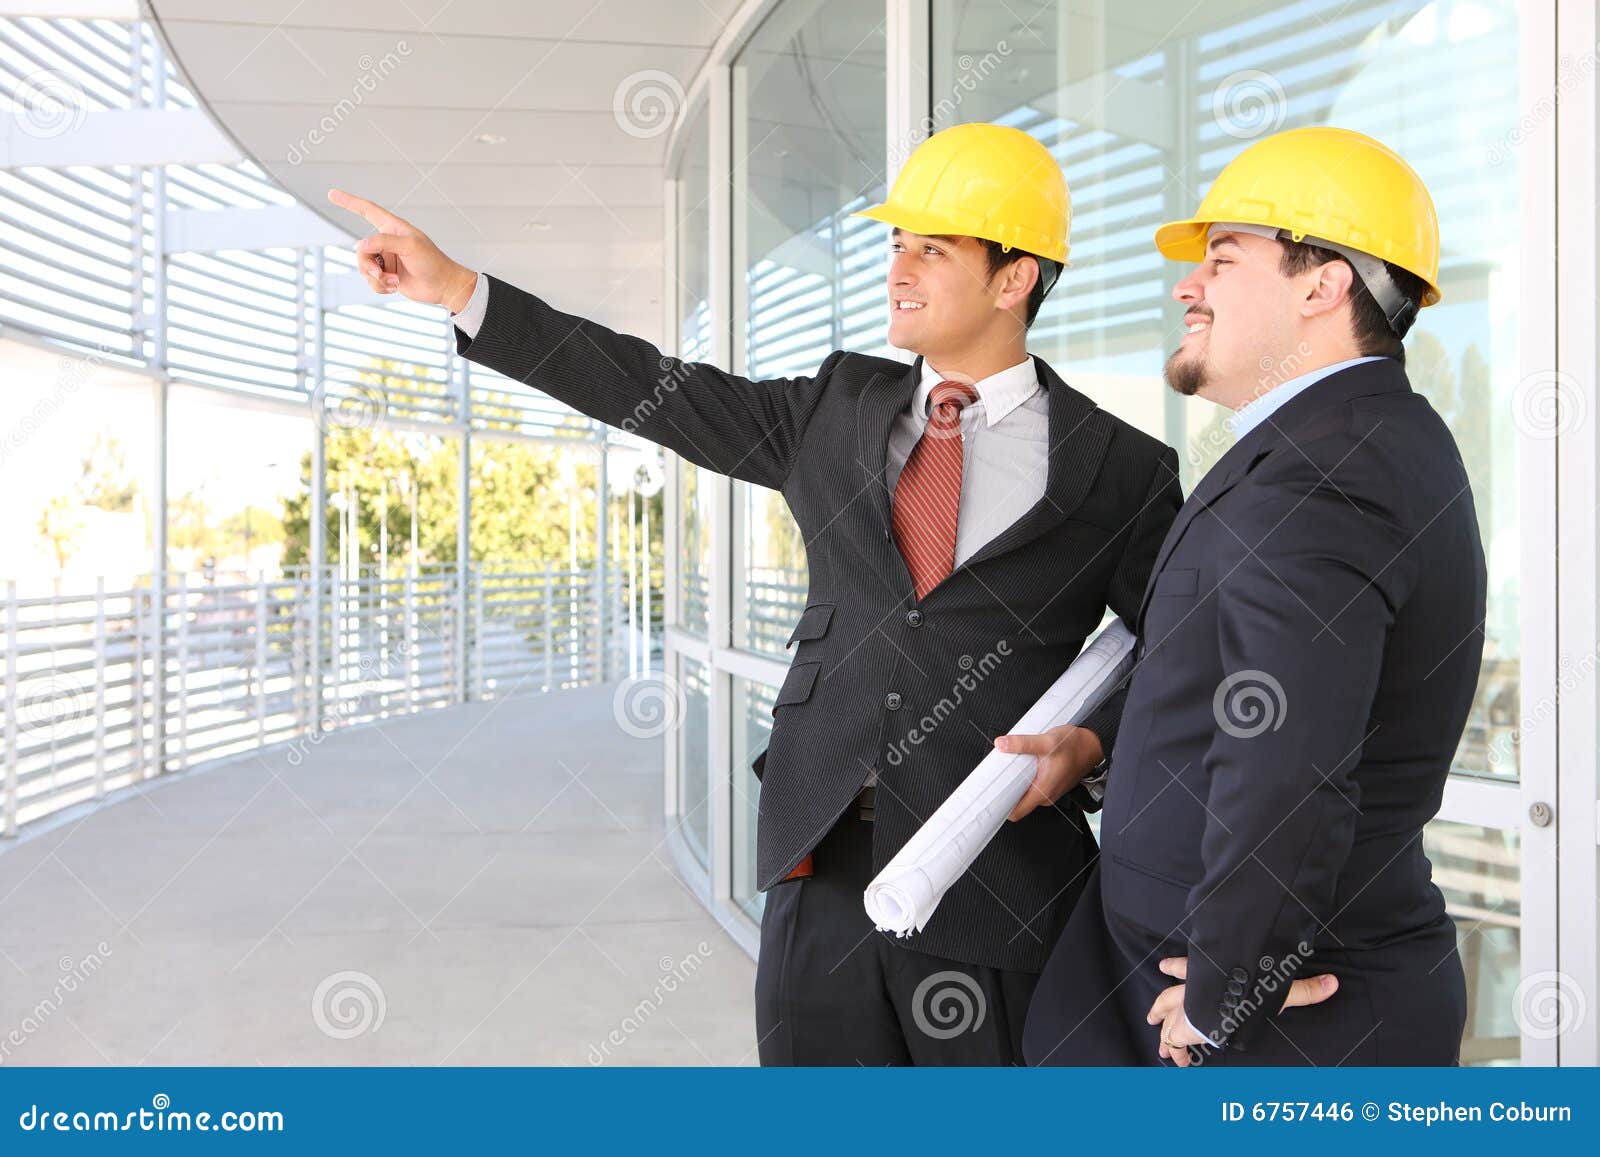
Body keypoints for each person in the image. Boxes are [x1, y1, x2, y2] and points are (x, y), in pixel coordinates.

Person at [329, 122, 1181, 1066]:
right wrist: (458, 291)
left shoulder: (1122, 471)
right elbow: (651, 385)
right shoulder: (836, 406)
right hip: (822, 854)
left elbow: (1179, 649)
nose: (899, 269)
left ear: (1015, 277)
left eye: (931, 250)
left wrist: (1092, 742)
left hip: (999, 874)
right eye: (895, 245)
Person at [1022, 126, 1485, 1067]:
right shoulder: (1333, 442)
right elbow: (1229, 672)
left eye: (1222, 260)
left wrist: (1229, 986)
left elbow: (1289, 755)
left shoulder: (1329, 470)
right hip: (1199, 986)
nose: (1188, 286)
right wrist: (1103, 737)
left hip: (1275, 1023)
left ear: (1324, 284)